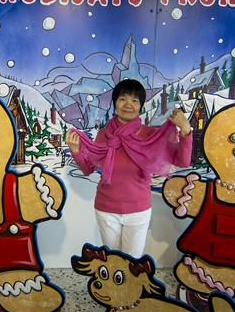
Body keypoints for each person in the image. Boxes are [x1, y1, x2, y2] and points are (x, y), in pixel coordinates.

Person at [66, 79, 192, 258]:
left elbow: (182, 161)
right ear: (115, 103)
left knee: (132, 265)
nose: (128, 105)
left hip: (138, 211)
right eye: (123, 99)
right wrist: (76, 151)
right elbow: (88, 169)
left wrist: (185, 130)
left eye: (135, 100)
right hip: (106, 209)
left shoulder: (150, 135)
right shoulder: (104, 135)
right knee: (112, 262)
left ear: (140, 105)